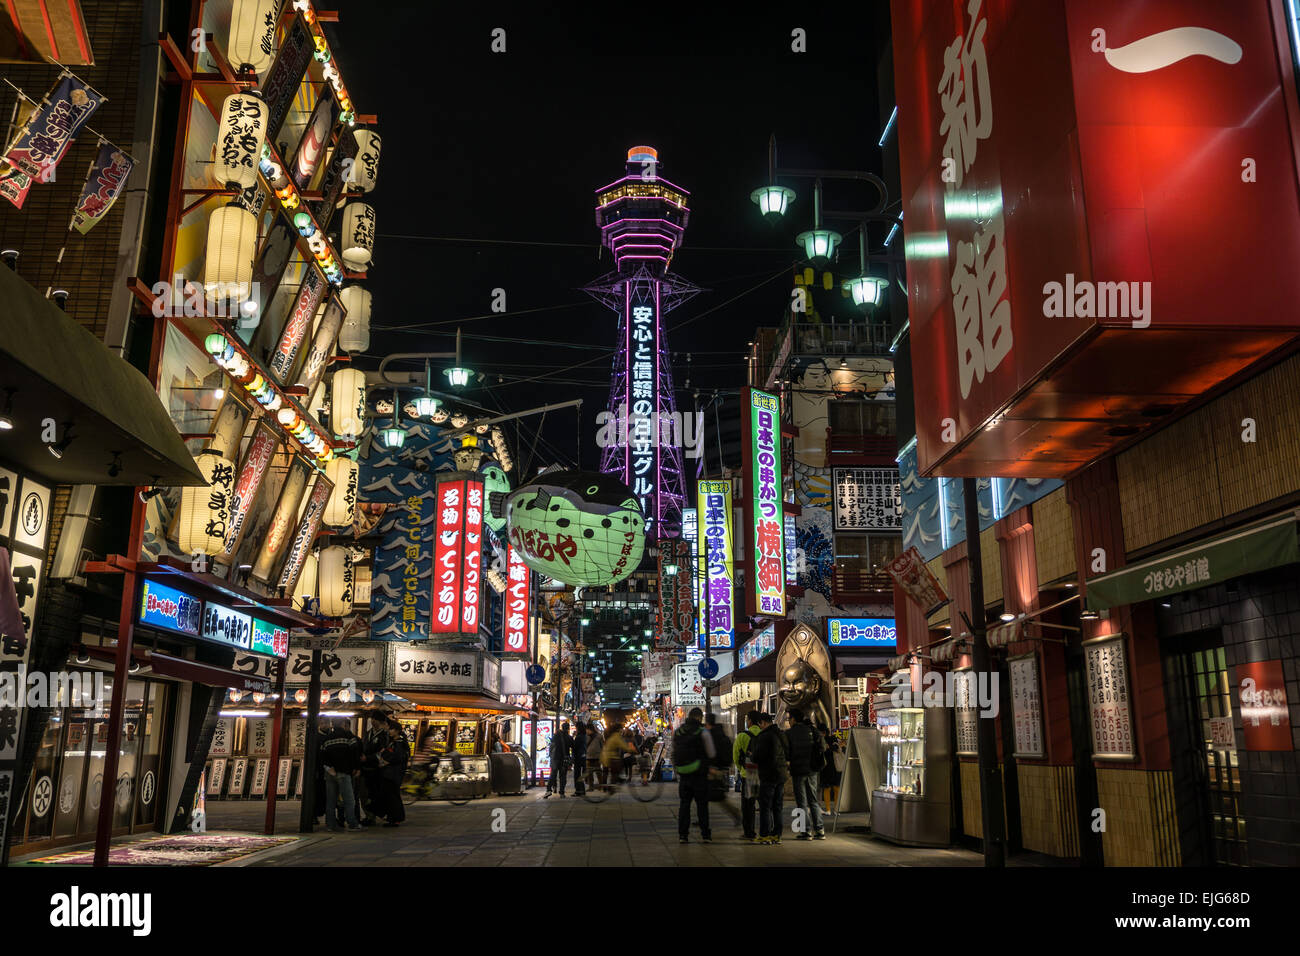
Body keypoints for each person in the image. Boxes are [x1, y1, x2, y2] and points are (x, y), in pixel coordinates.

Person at [671, 708, 716, 844]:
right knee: (702, 805)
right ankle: (705, 835)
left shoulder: (679, 732)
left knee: (684, 805)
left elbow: (674, 752)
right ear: (699, 718)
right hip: (699, 774)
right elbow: (711, 753)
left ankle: (683, 835)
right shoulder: (703, 732)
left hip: (684, 774)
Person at [785, 708, 826, 840]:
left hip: (798, 771)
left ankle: (806, 831)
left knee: (801, 802)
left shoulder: (790, 733)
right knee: (813, 800)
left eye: (789, 718)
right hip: (812, 770)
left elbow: (787, 752)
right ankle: (820, 830)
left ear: (793, 719)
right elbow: (823, 747)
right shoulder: (812, 730)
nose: (788, 721)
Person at [749, 712, 789, 845]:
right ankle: (777, 835)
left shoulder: (764, 736)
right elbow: (787, 752)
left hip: (768, 774)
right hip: (781, 774)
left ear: (763, 723)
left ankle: (764, 834)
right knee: (777, 806)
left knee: (765, 806)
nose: (760, 727)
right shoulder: (781, 734)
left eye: (760, 724)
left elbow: (758, 756)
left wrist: (752, 755)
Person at [318, 717, 363, 831]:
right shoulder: (349, 737)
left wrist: (329, 768)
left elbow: (322, 756)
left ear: (332, 725)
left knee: (331, 801)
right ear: (343, 724)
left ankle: (331, 825)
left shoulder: (326, 739)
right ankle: (352, 823)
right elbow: (355, 754)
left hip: (330, 773)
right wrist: (356, 768)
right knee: (349, 800)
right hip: (344, 773)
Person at [363, 721, 410, 827]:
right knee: (390, 796)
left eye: (391, 729)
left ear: (397, 731)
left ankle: (395, 818)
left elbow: (397, 757)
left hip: (393, 774)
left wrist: (386, 762)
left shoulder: (399, 742)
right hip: (390, 774)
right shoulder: (394, 742)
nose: (389, 731)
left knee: (392, 796)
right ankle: (392, 817)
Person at [733, 711, 762, 840]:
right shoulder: (764, 734)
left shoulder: (742, 736)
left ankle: (749, 832)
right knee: (765, 804)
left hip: (748, 774)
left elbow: (735, 756)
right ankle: (767, 831)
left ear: (749, 721)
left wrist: (741, 770)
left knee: (748, 806)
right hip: (763, 773)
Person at [704, 714, 733, 802]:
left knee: (711, 797)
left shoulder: (709, 736)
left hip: (712, 770)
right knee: (719, 795)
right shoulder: (724, 736)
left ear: (708, 723)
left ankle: (736, 814)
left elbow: (709, 754)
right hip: (723, 770)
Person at [819, 721, 843, 813]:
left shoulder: (823, 740)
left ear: (823, 732)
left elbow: (837, 748)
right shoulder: (832, 739)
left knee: (828, 788)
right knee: (834, 788)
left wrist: (828, 748)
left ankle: (829, 809)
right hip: (832, 767)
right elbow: (836, 748)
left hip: (827, 767)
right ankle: (834, 809)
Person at [545, 721, 571, 797]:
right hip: (564, 759)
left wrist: (550, 755)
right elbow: (573, 746)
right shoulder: (568, 737)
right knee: (563, 776)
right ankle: (562, 792)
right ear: (568, 729)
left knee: (553, 774)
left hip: (555, 758)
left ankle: (549, 790)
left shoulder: (555, 736)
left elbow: (551, 746)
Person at [585, 723, 605, 788]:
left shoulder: (599, 736)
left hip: (597, 757)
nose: (586, 731)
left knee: (598, 772)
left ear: (590, 729)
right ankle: (591, 786)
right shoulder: (586, 737)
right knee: (589, 773)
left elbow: (602, 746)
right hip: (588, 757)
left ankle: (601, 785)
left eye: (587, 729)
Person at [572, 721, 589, 796]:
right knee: (580, 775)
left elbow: (575, 747)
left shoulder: (579, 737)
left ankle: (579, 791)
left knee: (577, 775)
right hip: (584, 756)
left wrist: (573, 737)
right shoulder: (585, 735)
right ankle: (582, 790)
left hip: (578, 757)